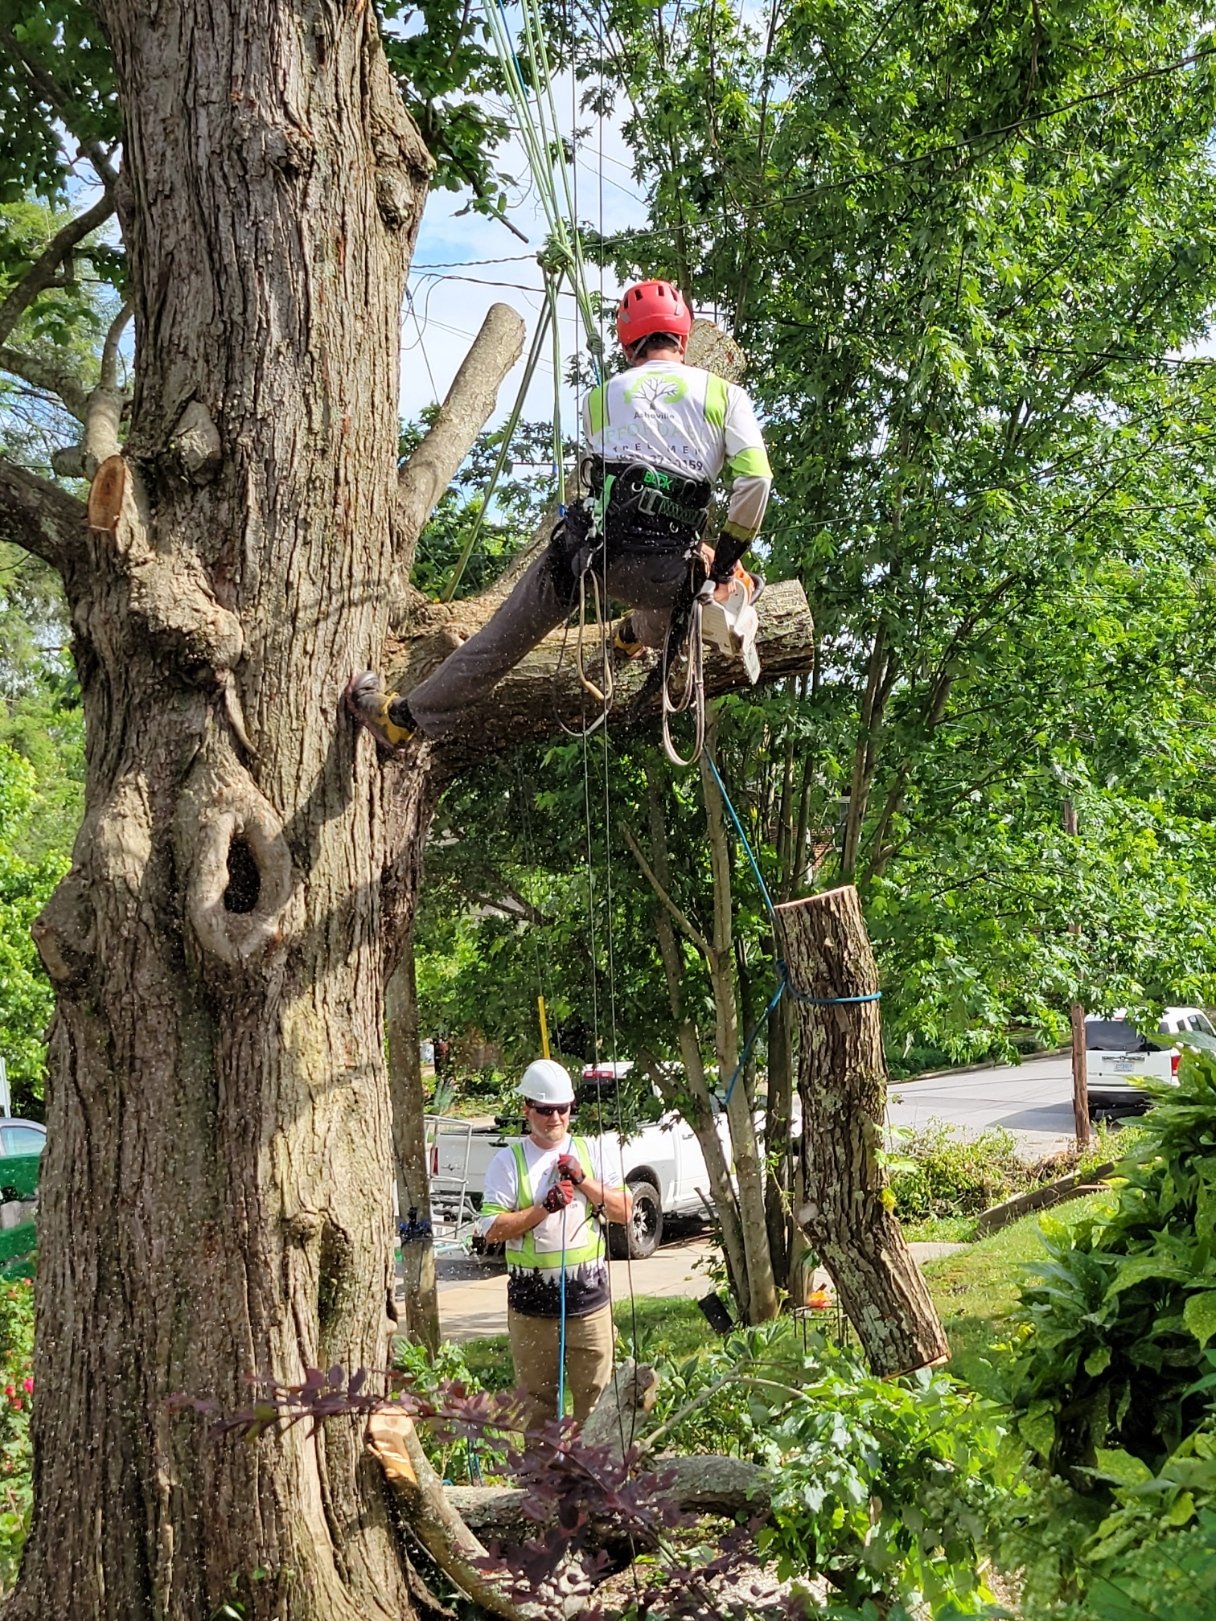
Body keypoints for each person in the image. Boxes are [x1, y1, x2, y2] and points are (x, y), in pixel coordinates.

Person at [345, 278, 773, 749]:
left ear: (629, 344)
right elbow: (756, 480)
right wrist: (726, 563)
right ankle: (636, 631)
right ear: (683, 339)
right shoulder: (725, 396)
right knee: (693, 605)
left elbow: (620, 485)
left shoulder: (599, 400)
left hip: (587, 563)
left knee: (499, 641)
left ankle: (403, 718)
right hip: (665, 573)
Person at [478, 1058, 632, 1432]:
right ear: (526, 1109)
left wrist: (583, 1181)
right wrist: (541, 1209)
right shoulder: (509, 1162)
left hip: (589, 1306)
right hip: (532, 1311)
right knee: (537, 1410)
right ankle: (541, 1487)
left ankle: (595, 1485)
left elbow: (625, 1211)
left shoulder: (591, 1151)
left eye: (562, 1109)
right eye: (545, 1110)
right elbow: (491, 1229)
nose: (555, 1118)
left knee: (595, 1406)